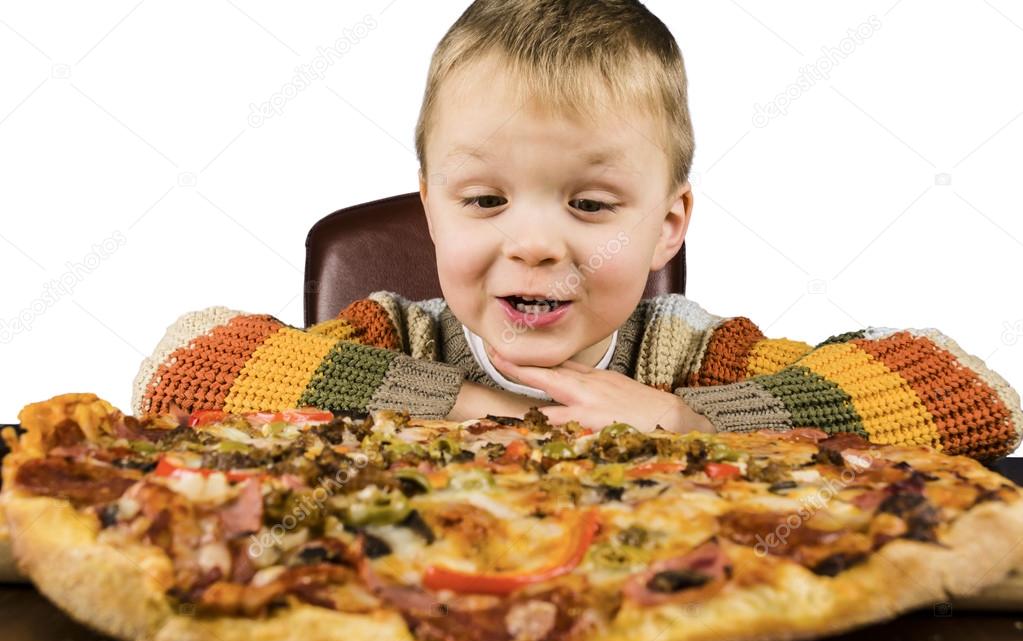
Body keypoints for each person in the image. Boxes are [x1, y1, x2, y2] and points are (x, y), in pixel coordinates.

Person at [132, 0, 1022, 460]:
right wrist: (477, 412)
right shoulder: (395, 338)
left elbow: (970, 394)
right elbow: (182, 363)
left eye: (589, 206)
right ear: (429, 206)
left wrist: (685, 420)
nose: (535, 244)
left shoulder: (688, 355)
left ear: (665, 225)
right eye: (484, 201)